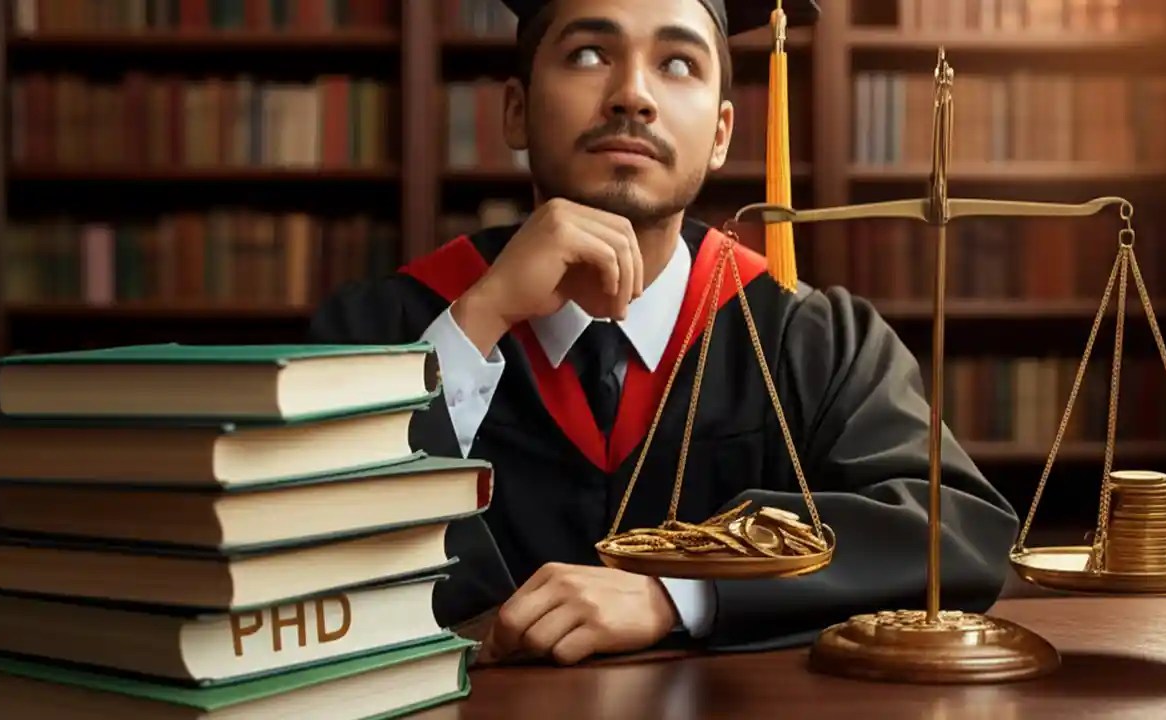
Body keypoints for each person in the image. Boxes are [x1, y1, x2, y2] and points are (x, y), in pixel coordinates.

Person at [309, 0, 1019, 666]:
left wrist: (679, 592)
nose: (632, 96)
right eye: (589, 53)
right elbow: (287, 537)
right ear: (517, 112)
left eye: (678, 64)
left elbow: (954, 529)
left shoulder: (811, 339)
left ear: (720, 135)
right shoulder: (387, 329)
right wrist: (480, 319)